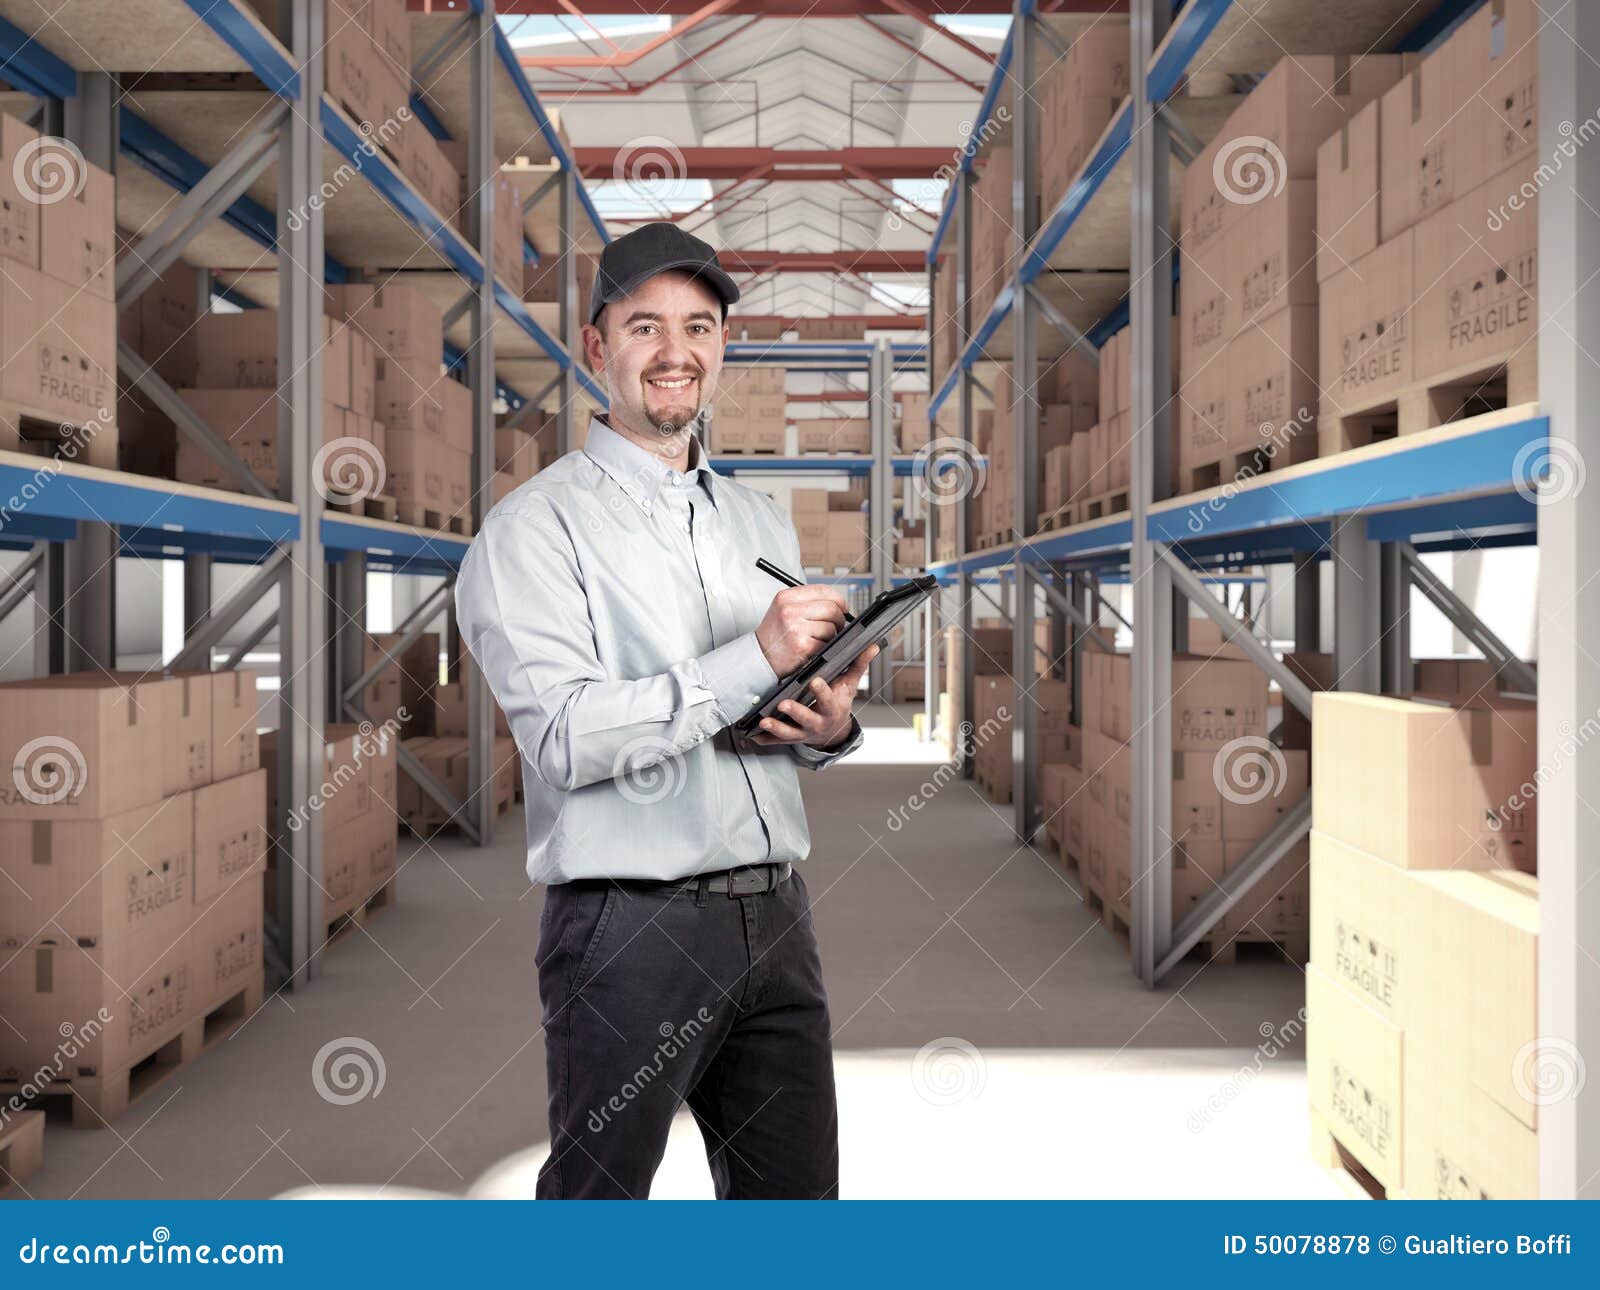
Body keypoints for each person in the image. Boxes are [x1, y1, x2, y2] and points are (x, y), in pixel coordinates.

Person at [454, 221, 876, 1200]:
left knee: (796, 1212)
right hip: (630, 928)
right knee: (601, 1211)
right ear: (598, 347)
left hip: (776, 920)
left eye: (698, 325)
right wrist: (755, 654)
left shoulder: (761, 522)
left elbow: (771, 705)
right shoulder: (532, 531)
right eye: (645, 326)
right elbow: (563, 738)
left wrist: (828, 726)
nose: (675, 351)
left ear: (722, 345)